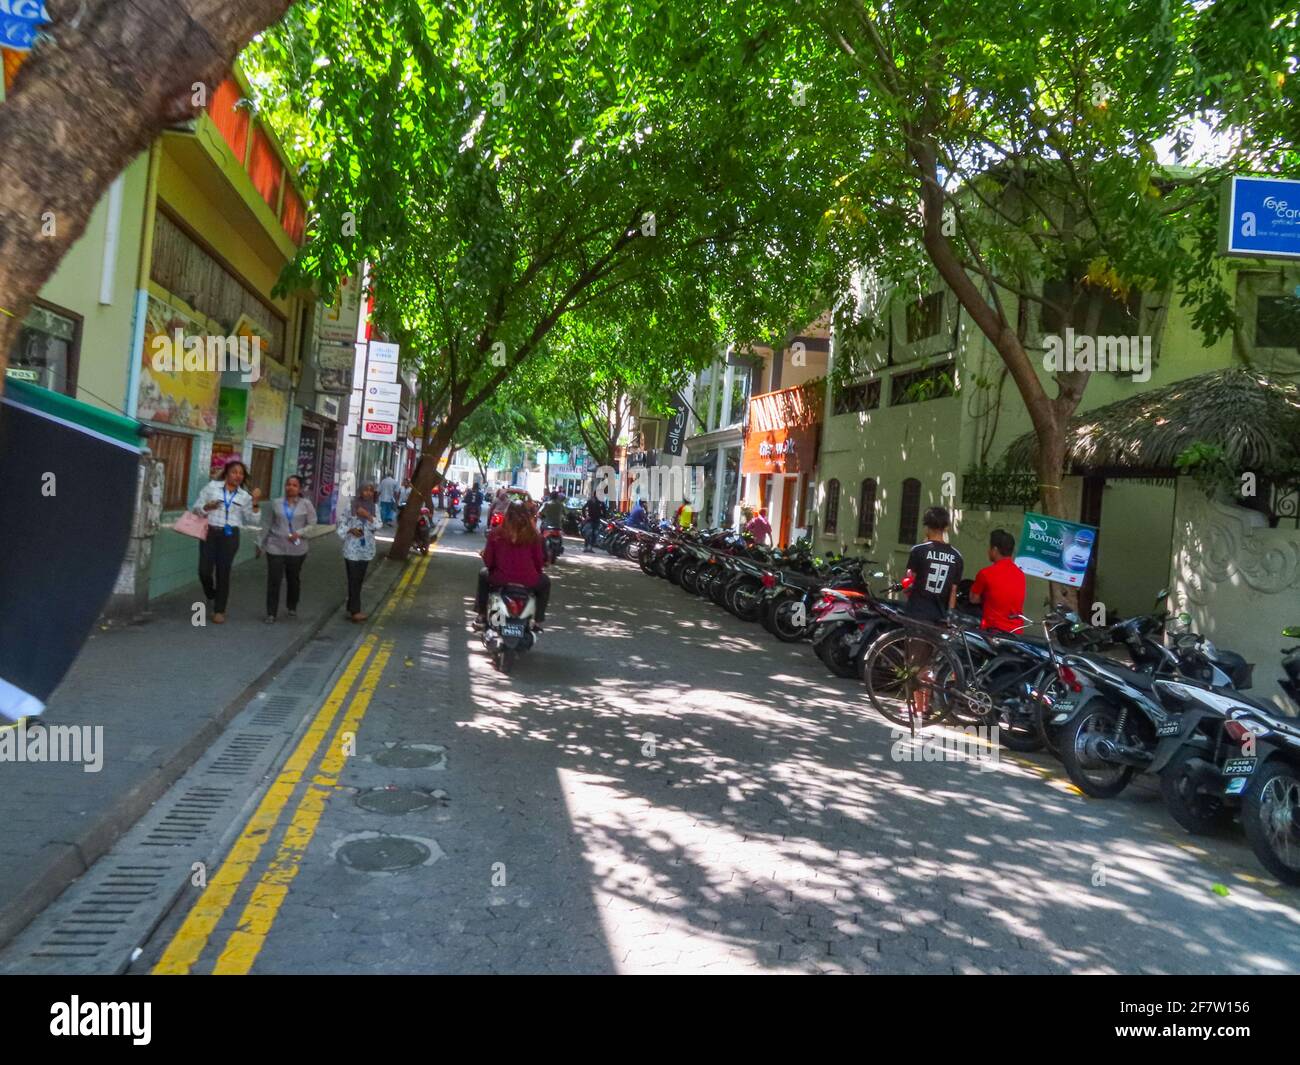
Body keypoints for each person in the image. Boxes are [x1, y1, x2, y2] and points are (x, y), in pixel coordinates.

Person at [901, 506, 964, 718]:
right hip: (939, 616)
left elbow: (909, 580)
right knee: (930, 662)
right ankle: (926, 705)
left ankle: (917, 707)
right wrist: (949, 615)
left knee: (914, 661)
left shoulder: (918, 551)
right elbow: (953, 591)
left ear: (927, 527)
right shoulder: (956, 556)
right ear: (946, 527)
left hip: (917, 612)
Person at [191, 459, 262, 625]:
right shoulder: (212, 487)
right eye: (234, 472)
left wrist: (255, 502)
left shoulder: (244, 496)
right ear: (227, 473)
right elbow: (196, 508)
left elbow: (253, 519)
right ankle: (211, 595)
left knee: (224, 571)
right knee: (204, 570)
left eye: (241, 473)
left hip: (230, 536)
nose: (237, 476)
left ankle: (219, 610)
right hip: (210, 532)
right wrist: (206, 507)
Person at [475, 501, 551, 630]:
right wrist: (536, 572)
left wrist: (493, 567)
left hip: (500, 579)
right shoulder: (534, 536)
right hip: (529, 580)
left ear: (507, 514)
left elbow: (489, 561)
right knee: (546, 582)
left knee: (483, 574)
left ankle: (482, 614)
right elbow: (539, 562)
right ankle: (538, 620)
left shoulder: (496, 533)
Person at [259, 474, 316, 624]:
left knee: (293, 578)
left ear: (300, 488)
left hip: (297, 548)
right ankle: (271, 612)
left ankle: (292, 605)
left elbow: (312, 524)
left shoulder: (306, 504)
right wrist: (260, 543)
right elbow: (266, 524)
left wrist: (300, 533)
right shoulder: (276, 503)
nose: (290, 487)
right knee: (274, 579)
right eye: (288, 484)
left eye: (294, 485)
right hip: (275, 545)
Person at [337, 484, 382, 622]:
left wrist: (368, 516)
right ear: (359, 491)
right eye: (365, 490)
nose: (368, 493)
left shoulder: (375, 508)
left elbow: (378, 525)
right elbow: (341, 523)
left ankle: (351, 608)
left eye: (370, 490)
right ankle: (355, 611)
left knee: (359, 580)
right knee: (353, 579)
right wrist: (350, 530)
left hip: (366, 548)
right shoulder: (351, 505)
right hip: (351, 548)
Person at [969, 528, 1027, 633]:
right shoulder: (1021, 575)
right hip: (1016, 632)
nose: (988, 551)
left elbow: (973, 599)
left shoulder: (985, 573)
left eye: (989, 548)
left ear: (995, 550)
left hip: (993, 633)